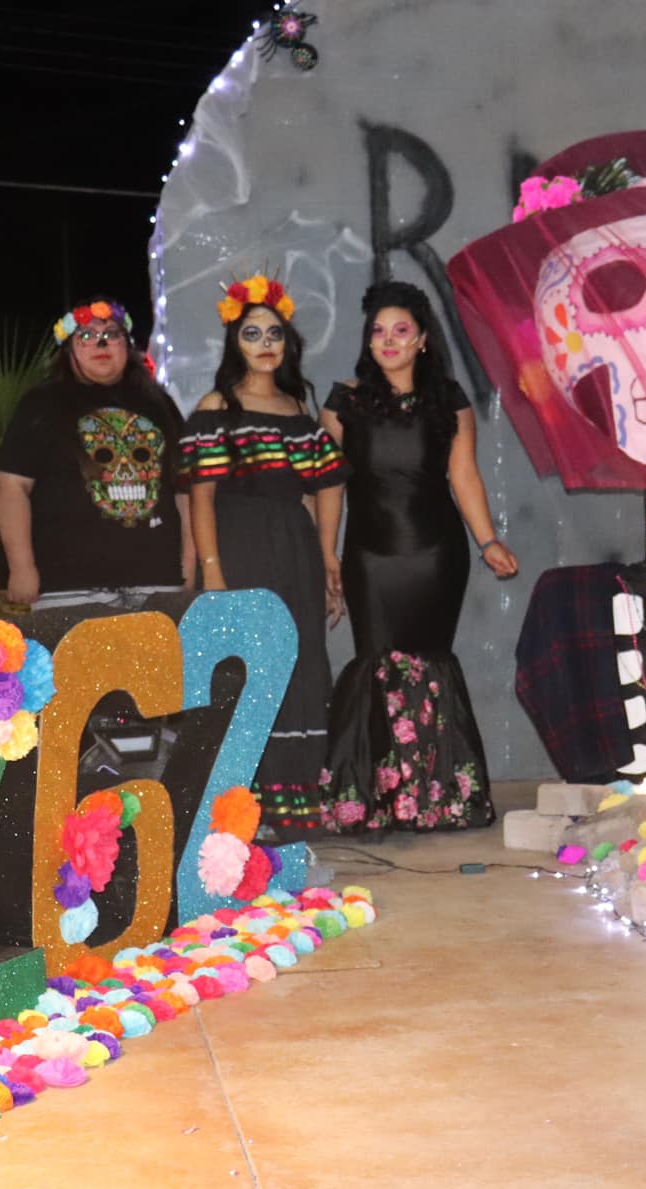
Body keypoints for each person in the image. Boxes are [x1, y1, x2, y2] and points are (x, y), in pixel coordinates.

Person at [319, 281, 517, 834]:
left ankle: (435, 800)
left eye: (400, 330)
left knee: (427, 665)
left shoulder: (448, 399)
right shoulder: (344, 401)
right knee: (376, 664)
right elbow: (328, 486)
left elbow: (464, 476)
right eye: (378, 331)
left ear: (423, 340)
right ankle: (376, 802)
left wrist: (488, 541)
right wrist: (326, 554)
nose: (388, 340)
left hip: (435, 555)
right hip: (370, 556)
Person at [178, 275, 346, 839]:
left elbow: (326, 483)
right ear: (235, 341)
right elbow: (199, 496)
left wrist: (327, 559)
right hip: (240, 547)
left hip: (293, 550)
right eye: (253, 333)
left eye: (275, 333)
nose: (266, 342)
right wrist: (212, 570)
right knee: (246, 669)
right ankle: (237, 808)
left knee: (299, 664)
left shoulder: (299, 410)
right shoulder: (216, 407)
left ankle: (290, 807)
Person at [0, 296, 192, 609]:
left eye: (112, 334)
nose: (101, 342)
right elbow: (10, 485)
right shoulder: (41, 403)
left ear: (127, 346)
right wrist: (21, 568)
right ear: (67, 348)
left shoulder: (159, 404)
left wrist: (189, 564)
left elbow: (186, 491)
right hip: (69, 589)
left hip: (157, 584)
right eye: (86, 336)